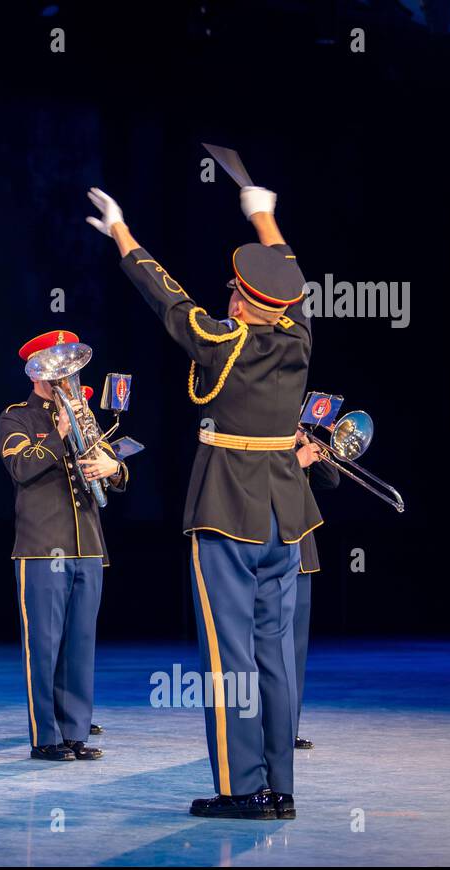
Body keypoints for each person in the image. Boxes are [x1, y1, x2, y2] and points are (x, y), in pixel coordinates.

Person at [88, 181, 320, 819]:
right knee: (275, 654)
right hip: (288, 516)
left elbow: (164, 295)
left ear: (244, 301)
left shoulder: (225, 341)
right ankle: (282, 789)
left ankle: (242, 789)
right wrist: (264, 213)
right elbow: (291, 275)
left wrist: (121, 232)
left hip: (230, 508)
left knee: (230, 658)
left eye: (235, 292)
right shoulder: (298, 336)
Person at [0, 330, 126, 762]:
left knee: (80, 643)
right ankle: (46, 737)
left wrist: (115, 468)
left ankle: (75, 733)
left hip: (88, 543)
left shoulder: (83, 413)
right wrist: (57, 434)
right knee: (45, 644)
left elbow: (112, 471)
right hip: (41, 546)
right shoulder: (16, 418)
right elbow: (21, 467)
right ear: (36, 370)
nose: (65, 376)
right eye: (56, 366)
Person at [291, 430, 339, 749]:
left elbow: (331, 479)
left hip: (300, 555)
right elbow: (253, 480)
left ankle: (286, 728)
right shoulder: (259, 434)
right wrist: (296, 461)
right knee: (260, 652)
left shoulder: (296, 440)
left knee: (294, 653)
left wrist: (309, 445)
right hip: (265, 551)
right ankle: (256, 730)